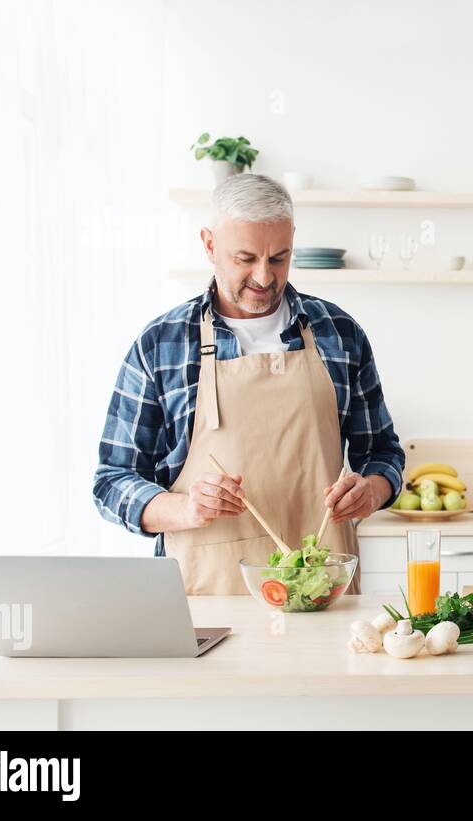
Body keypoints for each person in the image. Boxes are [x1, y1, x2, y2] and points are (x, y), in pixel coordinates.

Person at [92, 174, 404, 594]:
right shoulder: (161, 344)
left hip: (322, 593)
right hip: (206, 599)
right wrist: (186, 509)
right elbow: (112, 481)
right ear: (209, 245)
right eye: (245, 258)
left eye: (279, 258)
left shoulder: (339, 333)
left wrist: (372, 489)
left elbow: (383, 453)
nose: (264, 276)